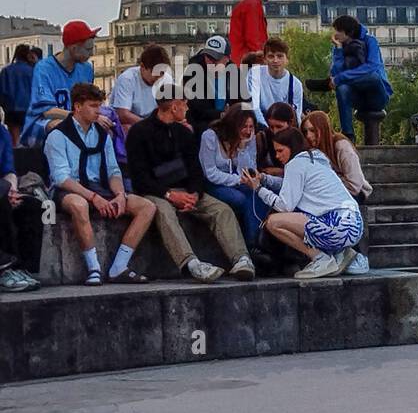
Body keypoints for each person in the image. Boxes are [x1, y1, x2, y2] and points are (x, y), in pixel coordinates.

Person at [127, 79, 255, 283]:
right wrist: (170, 194)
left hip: (186, 191)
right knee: (164, 212)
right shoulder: (139, 132)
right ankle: (191, 263)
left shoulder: (184, 133)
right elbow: (140, 177)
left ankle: (241, 258)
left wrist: (194, 193)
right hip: (156, 192)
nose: (187, 107)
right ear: (174, 106)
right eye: (184, 103)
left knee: (221, 209)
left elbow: (196, 171)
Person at [45, 83, 156, 285]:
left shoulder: (103, 134)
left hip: (100, 187)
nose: (99, 111)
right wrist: (94, 198)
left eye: (100, 105)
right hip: (70, 189)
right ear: (78, 107)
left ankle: (119, 265)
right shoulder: (57, 136)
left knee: (146, 207)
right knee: (79, 205)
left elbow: (114, 170)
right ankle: (93, 267)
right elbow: (62, 178)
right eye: (93, 106)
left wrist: (120, 195)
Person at [242, 127, 364, 280]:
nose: (277, 156)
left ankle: (320, 259)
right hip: (354, 225)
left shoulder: (295, 165)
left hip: (337, 226)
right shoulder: (317, 159)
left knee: (273, 222)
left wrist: (258, 188)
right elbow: (292, 185)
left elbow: (284, 206)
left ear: (291, 147)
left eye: (280, 151)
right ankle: (340, 253)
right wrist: (265, 179)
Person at [20, 21, 103, 147]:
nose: (91, 54)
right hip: (42, 123)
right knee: (57, 126)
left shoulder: (86, 68)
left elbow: (89, 102)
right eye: (88, 49)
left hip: (77, 120)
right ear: (74, 48)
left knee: (104, 126)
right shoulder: (44, 68)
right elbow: (47, 111)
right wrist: (80, 117)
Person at [199, 104, 266, 250]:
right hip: (214, 183)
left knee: (257, 192)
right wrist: (238, 180)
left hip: (238, 180)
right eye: (244, 126)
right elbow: (210, 173)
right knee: (239, 199)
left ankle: (258, 241)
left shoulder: (250, 138)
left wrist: (242, 148)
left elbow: (250, 170)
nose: (248, 131)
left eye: (251, 126)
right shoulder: (210, 136)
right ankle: (253, 243)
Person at [328, 15, 392, 143]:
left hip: (377, 95)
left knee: (372, 77)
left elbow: (372, 66)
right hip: (357, 97)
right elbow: (335, 73)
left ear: (348, 32)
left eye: (338, 31)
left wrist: (341, 78)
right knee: (342, 89)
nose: (335, 34)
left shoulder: (370, 41)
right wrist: (338, 49)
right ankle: (348, 134)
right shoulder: (341, 47)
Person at [0, 109, 43, 290]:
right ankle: (4, 268)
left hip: (2, 188)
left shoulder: (2, 133)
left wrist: (13, 191)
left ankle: (23, 268)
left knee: (32, 205)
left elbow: (9, 170)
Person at [303, 110, 373, 203]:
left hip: (353, 193)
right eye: (305, 131)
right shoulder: (312, 151)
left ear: (323, 129)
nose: (308, 135)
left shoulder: (342, 146)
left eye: (313, 130)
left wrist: (327, 180)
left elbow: (355, 185)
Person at [185, 34, 244, 138]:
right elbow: (197, 108)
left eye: (215, 59)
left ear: (227, 59)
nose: (210, 62)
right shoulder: (193, 71)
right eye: (208, 57)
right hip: (202, 123)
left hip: (230, 120)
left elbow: (244, 101)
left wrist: (233, 114)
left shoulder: (235, 73)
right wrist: (221, 114)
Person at [108, 44, 172, 130]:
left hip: (153, 122)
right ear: (142, 67)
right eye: (155, 75)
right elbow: (123, 114)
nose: (159, 79)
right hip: (131, 123)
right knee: (128, 128)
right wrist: (150, 125)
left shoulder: (166, 79)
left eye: (162, 73)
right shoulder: (127, 79)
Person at [248, 37, 304, 126]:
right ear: (265, 59)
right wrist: (266, 128)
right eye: (271, 56)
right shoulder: (254, 74)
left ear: (287, 59)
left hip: (283, 127)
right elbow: (254, 106)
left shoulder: (295, 84)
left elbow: (295, 117)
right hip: (259, 124)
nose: (275, 60)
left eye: (280, 56)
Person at [228, 0, 279, 64]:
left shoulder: (248, 3)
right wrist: (264, 58)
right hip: (247, 60)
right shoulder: (253, 5)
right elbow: (253, 37)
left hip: (239, 59)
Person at [0, 44, 35, 146]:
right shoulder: (32, 71)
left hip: (12, 109)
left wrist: (5, 106)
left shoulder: (6, 71)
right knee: (29, 141)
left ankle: (17, 160)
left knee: (15, 141)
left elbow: (2, 91)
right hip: (29, 109)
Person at [257, 102, 297, 177]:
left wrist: (283, 171)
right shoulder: (263, 139)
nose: (275, 131)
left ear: (290, 123)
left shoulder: (299, 140)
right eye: (271, 127)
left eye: (279, 127)